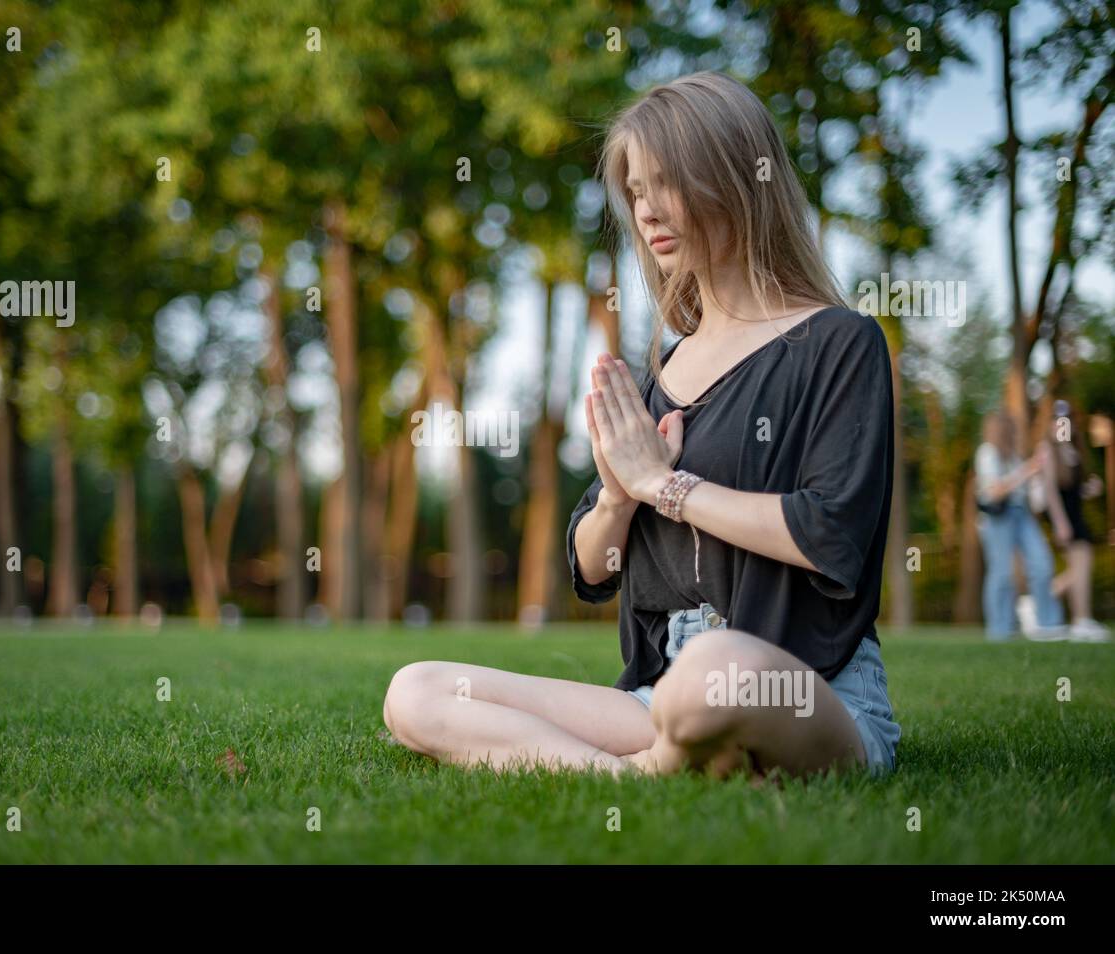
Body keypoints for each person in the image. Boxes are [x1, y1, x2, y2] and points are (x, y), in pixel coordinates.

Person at [382, 71, 900, 781]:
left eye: (668, 183)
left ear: (740, 181)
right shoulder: (660, 372)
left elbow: (831, 532)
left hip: (802, 685)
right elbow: (593, 570)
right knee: (417, 690)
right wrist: (620, 495)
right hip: (656, 696)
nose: (647, 211)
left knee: (712, 674)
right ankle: (634, 770)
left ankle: (656, 755)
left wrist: (665, 484)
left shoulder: (840, 343)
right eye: (634, 191)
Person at [974, 411, 1066, 640]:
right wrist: (1028, 470)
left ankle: (1048, 624)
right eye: (1011, 430)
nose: (1014, 435)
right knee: (1002, 574)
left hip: (1021, 514)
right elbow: (995, 492)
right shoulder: (987, 453)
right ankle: (999, 631)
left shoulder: (1013, 456)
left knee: (1042, 563)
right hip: (997, 519)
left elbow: (1025, 492)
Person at [1037, 400, 1109, 642]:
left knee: (1080, 568)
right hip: (1064, 517)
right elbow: (1050, 490)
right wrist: (1060, 523)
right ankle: (1078, 617)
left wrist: (1090, 489)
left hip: (1075, 513)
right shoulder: (1047, 450)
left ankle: (1076, 616)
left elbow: (1073, 489)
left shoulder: (1073, 450)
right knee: (1081, 565)